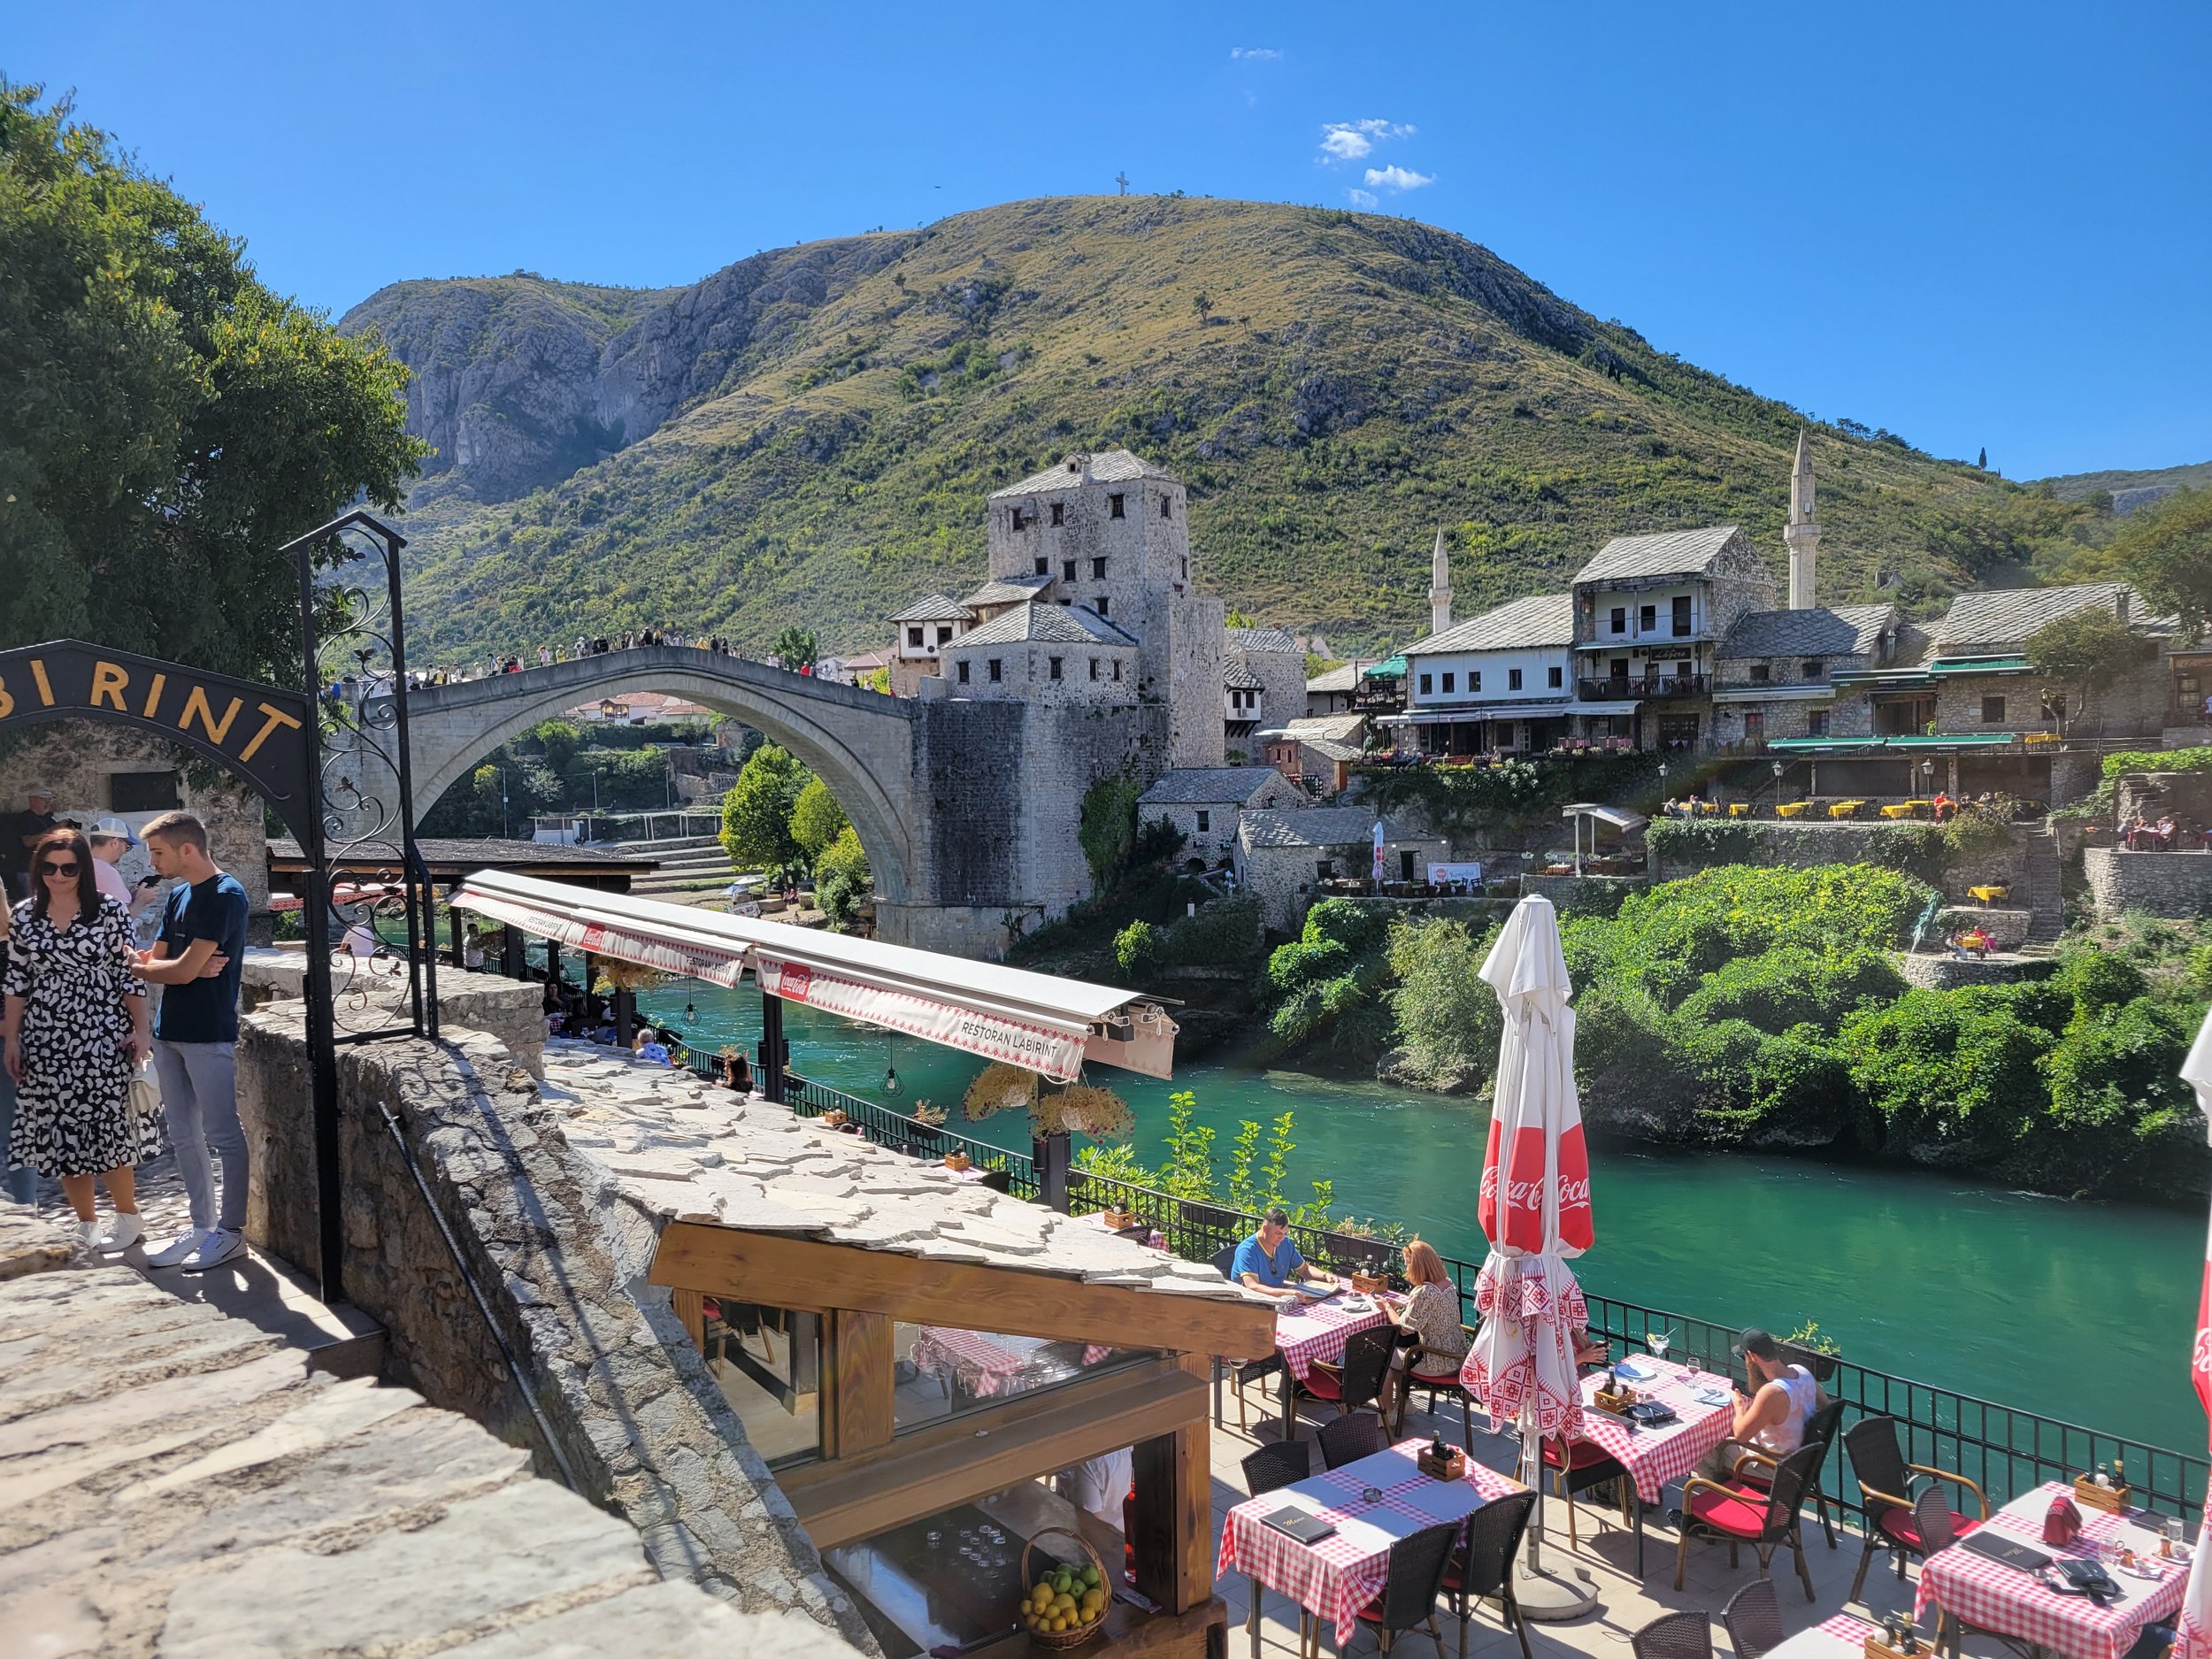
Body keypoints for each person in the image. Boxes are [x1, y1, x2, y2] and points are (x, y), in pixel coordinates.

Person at [3, 829, 157, 1254]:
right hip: (46, 1036)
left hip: (102, 1032)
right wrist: (13, 1040)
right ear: (39, 869)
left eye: (68, 867)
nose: (58, 875)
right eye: (49, 867)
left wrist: (141, 1029)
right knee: (61, 1133)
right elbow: (16, 982)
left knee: (106, 1129)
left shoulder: (108, 911)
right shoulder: (24, 916)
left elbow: (129, 975)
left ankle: (128, 1215)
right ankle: (86, 1222)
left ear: (82, 870)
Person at [129, 811, 250, 1272]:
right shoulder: (179, 894)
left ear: (187, 849)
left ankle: (231, 1232)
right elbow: (165, 960)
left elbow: (169, 969)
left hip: (208, 1031)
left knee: (223, 1134)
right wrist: (170, 967)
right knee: (182, 1134)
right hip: (169, 1030)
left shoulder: (225, 895)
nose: (153, 861)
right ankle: (202, 1226)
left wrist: (154, 968)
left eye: (158, 852)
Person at [1693, 1326, 1821, 1479]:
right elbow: (1825, 1406)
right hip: (1801, 1460)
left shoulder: (1773, 1392)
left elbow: (1741, 1435)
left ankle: (1714, 1493)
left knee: (1699, 1447)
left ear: (1752, 1357)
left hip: (1774, 1467)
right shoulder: (1802, 1372)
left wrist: (1739, 1407)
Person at [1230, 1206, 1340, 1302]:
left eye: (1284, 1233)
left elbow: (1304, 1269)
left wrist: (1325, 1276)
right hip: (1251, 1302)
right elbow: (1252, 1287)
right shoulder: (1247, 1250)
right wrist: (1285, 1293)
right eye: (1278, 1233)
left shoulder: (1285, 1243)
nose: (1282, 1237)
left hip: (1279, 1298)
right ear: (1265, 1228)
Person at [86, 819, 161, 922]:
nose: (125, 851)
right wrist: (141, 900)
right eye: (127, 847)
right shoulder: (106, 872)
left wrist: (131, 893)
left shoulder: (84, 864)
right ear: (115, 843)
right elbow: (122, 920)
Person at [3, 786, 65, 902]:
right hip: (27, 869)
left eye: (49, 800)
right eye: (44, 800)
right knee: (32, 902)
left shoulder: (48, 819)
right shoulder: (25, 819)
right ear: (33, 800)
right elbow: (28, 842)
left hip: (45, 868)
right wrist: (53, 830)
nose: (48, 803)